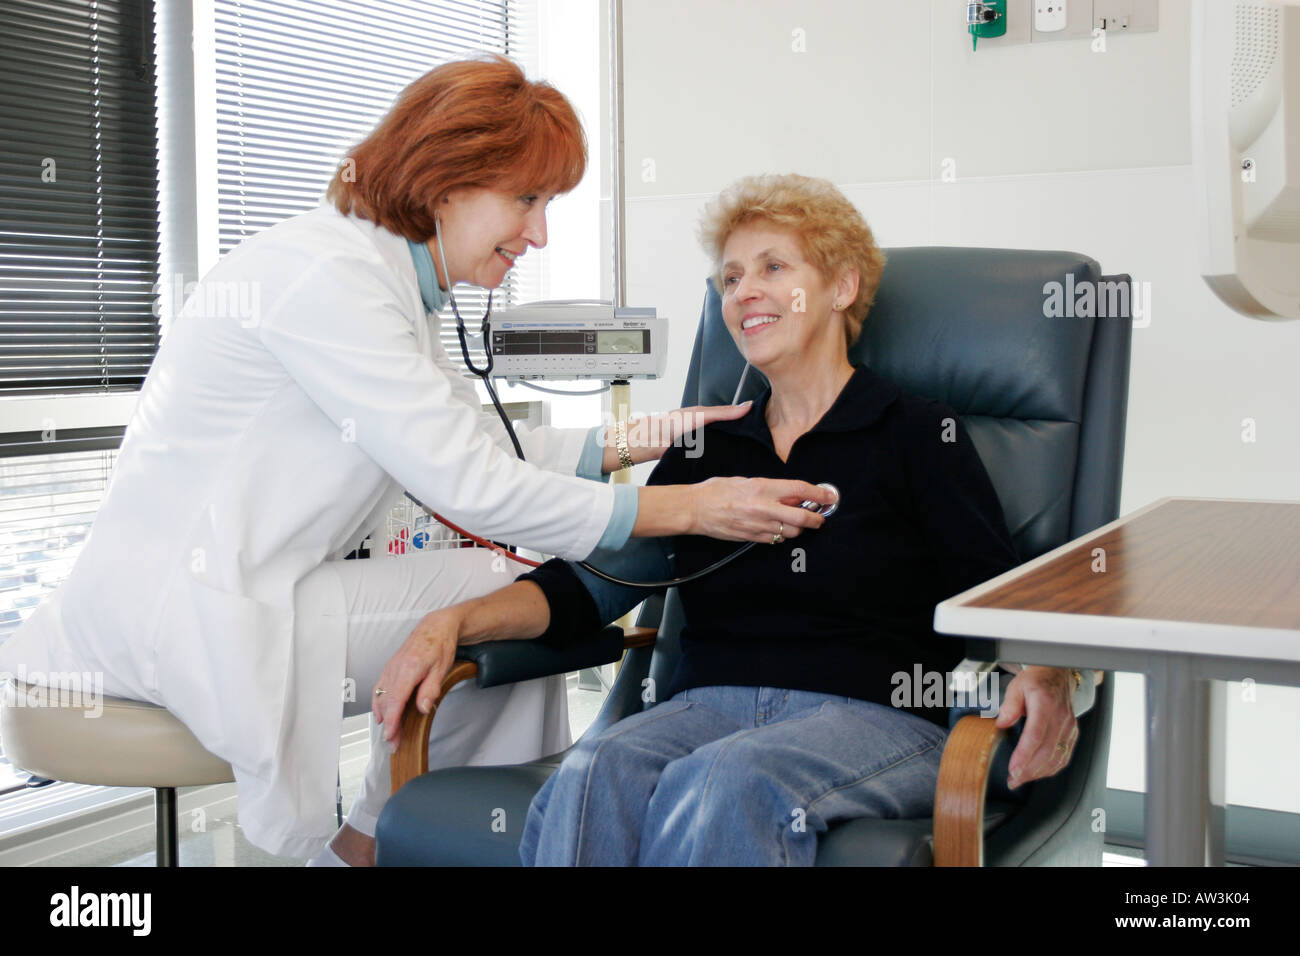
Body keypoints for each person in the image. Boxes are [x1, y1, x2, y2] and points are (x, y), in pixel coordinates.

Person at [0, 57, 835, 865]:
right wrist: (692, 507)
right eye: (527, 200)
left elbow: (471, 448)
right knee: (492, 596)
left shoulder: (391, 288)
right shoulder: (332, 280)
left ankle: (389, 838)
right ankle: (385, 842)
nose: (539, 233)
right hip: (184, 609)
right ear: (445, 183)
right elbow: (468, 482)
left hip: (248, 584)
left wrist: (640, 438)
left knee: (492, 605)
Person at [372, 173, 1101, 866]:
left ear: (842, 287)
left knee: (732, 779)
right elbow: (597, 583)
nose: (745, 291)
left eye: (773, 268)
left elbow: (999, 595)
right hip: (705, 706)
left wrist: (1046, 673)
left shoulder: (915, 432)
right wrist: (454, 625)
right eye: (730, 277)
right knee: (597, 768)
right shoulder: (711, 443)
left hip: (876, 714)